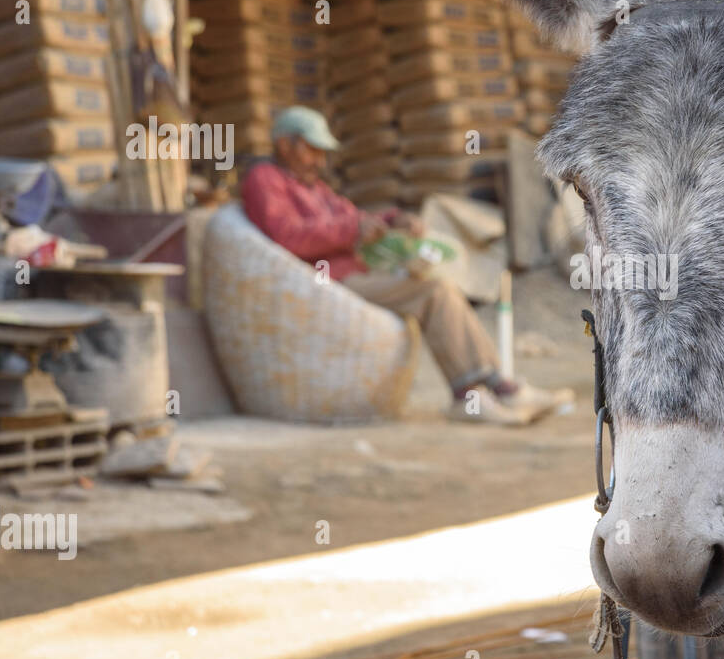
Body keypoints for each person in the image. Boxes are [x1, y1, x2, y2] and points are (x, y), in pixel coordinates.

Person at [240, 105, 572, 425]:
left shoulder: (313, 185)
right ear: (285, 145)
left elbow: (351, 217)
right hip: (320, 281)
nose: (320, 160)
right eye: (311, 150)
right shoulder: (265, 178)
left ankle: (490, 389)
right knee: (433, 292)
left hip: (352, 271)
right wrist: (351, 231)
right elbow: (286, 237)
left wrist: (390, 220)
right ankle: (483, 393)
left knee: (434, 277)